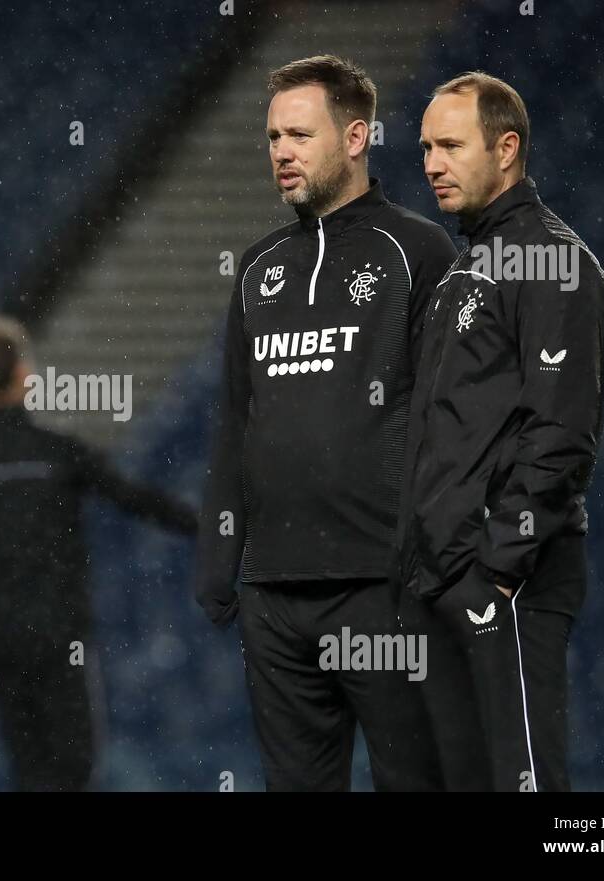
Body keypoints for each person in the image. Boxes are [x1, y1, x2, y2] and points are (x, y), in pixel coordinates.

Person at [193, 56, 455, 791]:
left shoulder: (420, 251)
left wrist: (432, 563)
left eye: (300, 134)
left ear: (356, 136)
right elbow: (235, 421)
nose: (281, 150)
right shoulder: (256, 268)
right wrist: (220, 556)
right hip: (274, 594)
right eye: (273, 135)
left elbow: (451, 420)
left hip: (381, 585)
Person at [398, 72, 604, 791]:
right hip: (441, 577)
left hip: (504, 582)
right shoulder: (467, 265)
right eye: (427, 146)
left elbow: (562, 434)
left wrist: (496, 570)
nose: (431, 163)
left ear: (507, 147)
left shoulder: (552, 260)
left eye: (451, 145)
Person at [0, 314, 195, 791]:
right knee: (74, 766)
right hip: (59, 634)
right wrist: (221, 527)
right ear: (24, 376)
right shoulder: (54, 454)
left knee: (29, 769)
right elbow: (138, 499)